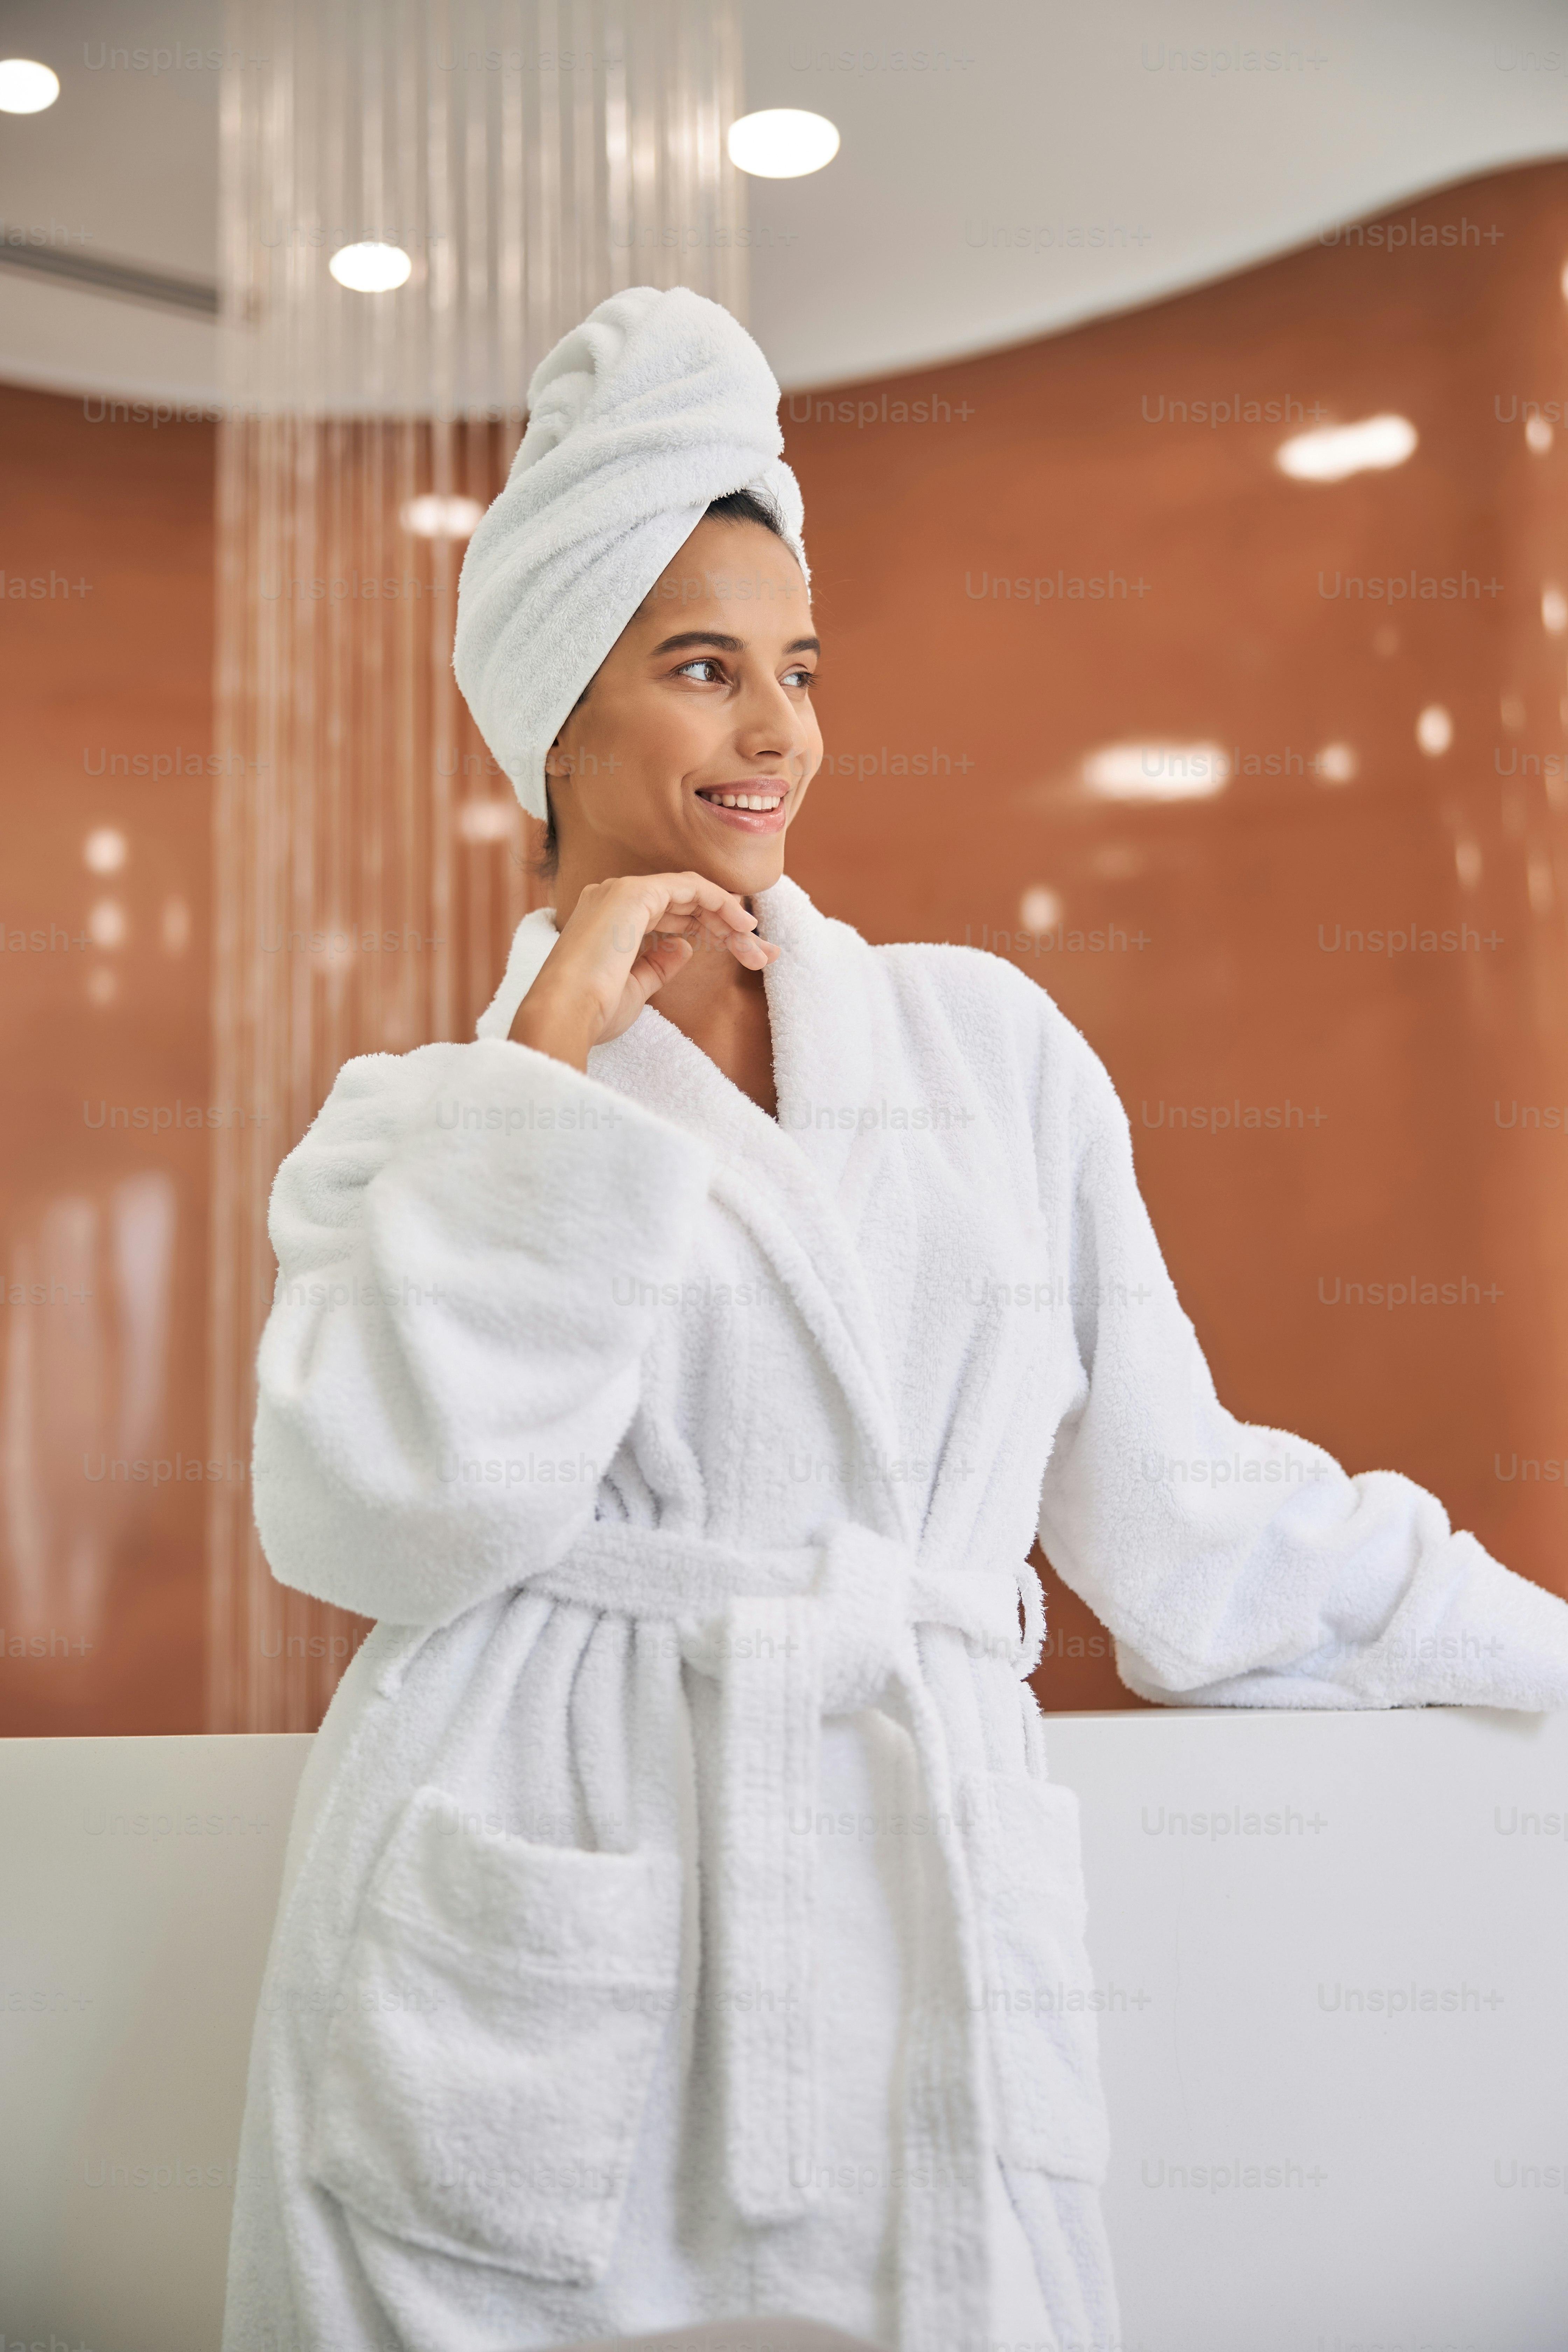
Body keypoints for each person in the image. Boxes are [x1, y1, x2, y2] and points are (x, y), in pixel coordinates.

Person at [221, 288, 1568, 2352]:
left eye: (800, 670)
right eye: (701, 671)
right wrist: (558, 1058)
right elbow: (381, 1528)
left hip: (918, 1920)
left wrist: (1529, 1649)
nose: (780, 735)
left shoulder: (994, 1053)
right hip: (535, 1941)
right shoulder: (426, 1130)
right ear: (552, 713)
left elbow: (1187, 1524)